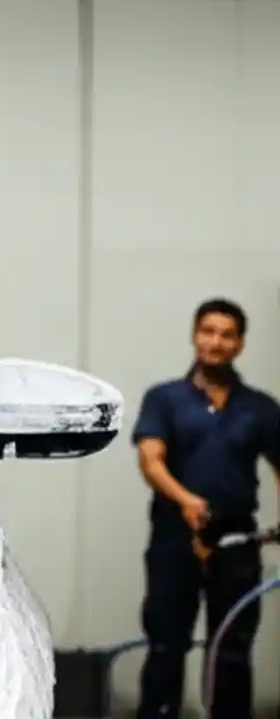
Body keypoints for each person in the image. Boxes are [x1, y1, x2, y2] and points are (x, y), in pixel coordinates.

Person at [132, 298, 280, 718]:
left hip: (236, 541)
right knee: (166, 645)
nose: (215, 342)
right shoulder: (164, 399)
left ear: (239, 344)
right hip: (174, 539)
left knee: (231, 650)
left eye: (226, 334)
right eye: (208, 331)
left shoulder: (260, 407)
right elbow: (150, 460)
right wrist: (185, 500)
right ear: (195, 335)